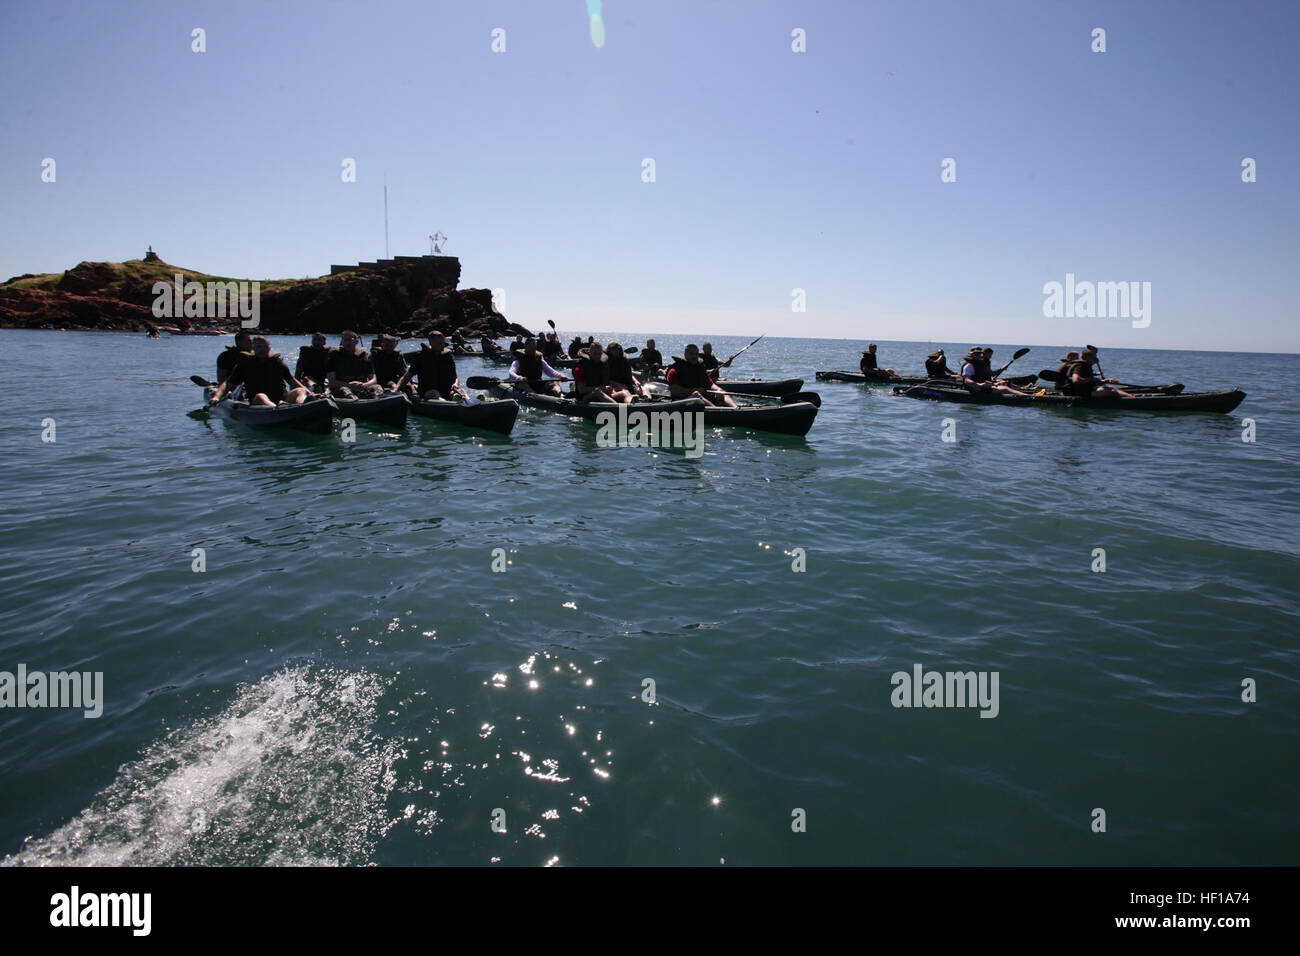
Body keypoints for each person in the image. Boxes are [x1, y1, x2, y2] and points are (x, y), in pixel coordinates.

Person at [209, 335, 312, 406]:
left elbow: (292, 381)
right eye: (259, 347)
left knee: (301, 391)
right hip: (257, 400)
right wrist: (216, 397)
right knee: (261, 396)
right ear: (253, 348)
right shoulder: (245, 364)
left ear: (269, 348)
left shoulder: (277, 363)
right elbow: (228, 384)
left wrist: (310, 394)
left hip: (281, 399)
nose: (262, 349)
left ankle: (300, 406)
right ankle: (276, 409)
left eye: (264, 347)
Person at [397, 330, 464, 400]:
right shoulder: (420, 358)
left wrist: (455, 384)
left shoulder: (448, 357)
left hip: (446, 392)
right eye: (439, 343)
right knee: (434, 393)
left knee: (461, 393)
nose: (443, 345)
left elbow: (455, 377)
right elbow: (407, 377)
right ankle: (447, 404)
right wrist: (397, 391)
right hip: (428, 392)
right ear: (431, 343)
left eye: (443, 343)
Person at [666, 344, 737, 407]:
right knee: (696, 396)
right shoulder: (675, 370)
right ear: (685, 354)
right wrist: (692, 390)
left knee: (723, 393)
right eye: (691, 354)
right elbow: (674, 391)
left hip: (702, 397)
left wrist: (718, 390)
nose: (694, 356)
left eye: (696, 354)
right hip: (683, 400)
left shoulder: (700, 368)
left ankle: (736, 409)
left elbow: (710, 384)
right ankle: (717, 412)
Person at [326, 331, 379, 398]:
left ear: (356, 341)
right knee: (344, 390)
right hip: (342, 388)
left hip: (361, 387)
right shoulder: (333, 357)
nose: (347, 342)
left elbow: (374, 379)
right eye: (345, 340)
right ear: (342, 342)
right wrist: (350, 385)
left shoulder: (364, 356)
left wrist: (364, 384)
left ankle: (378, 400)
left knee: (377, 387)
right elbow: (332, 382)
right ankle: (353, 400)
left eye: (349, 340)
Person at [1060, 348, 1132, 398]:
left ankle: (1132, 397)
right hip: (1076, 392)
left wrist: (1106, 381)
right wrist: (1091, 379)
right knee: (1112, 392)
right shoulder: (1080, 366)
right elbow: (1076, 380)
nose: (1096, 358)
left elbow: (1090, 382)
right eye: (1094, 356)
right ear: (1087, 358)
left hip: (1085, 390)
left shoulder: (1086, 366)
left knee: (1111, 387)